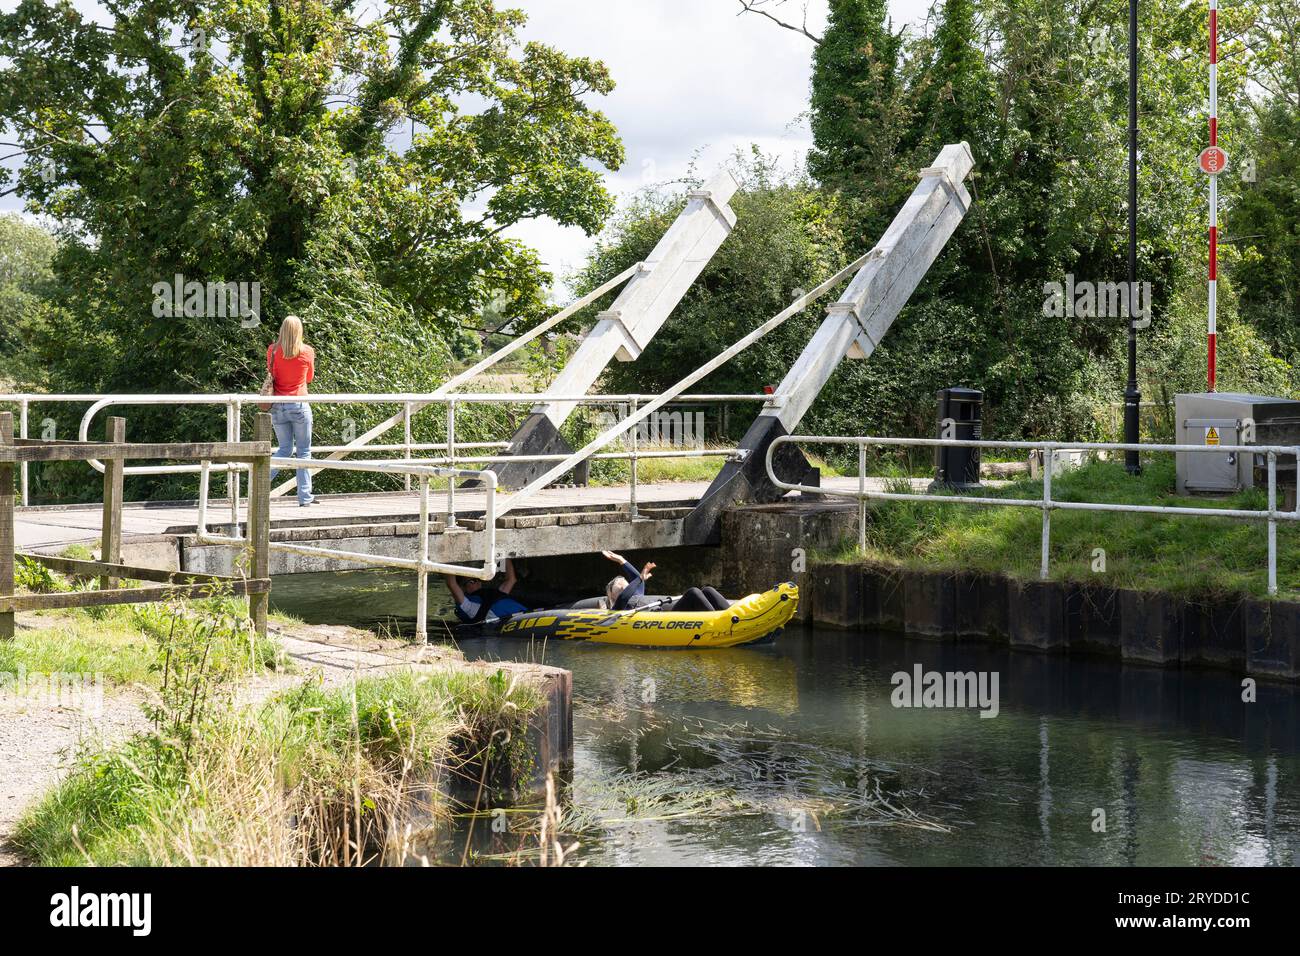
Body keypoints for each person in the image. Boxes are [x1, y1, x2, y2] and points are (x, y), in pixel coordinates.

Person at [268, 315, 317, 506]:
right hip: (299, 404)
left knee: (285, 449)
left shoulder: (272, 350)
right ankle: (305, 498)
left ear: (281, 330)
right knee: (304, 452)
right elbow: (309, 378)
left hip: (277, 405)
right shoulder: (307, 351)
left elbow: (272, 375)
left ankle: (260, 481)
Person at [445, 557, 529, 624]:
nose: (478, 583)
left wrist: (502, 555)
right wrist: (451, 559)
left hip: (528, 613)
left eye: (478, 579)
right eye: (472, 581)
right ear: (462, 588)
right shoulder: (468, 606)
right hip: (517, 621)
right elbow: (451, 584)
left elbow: (511, 579)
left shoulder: (494, 595)